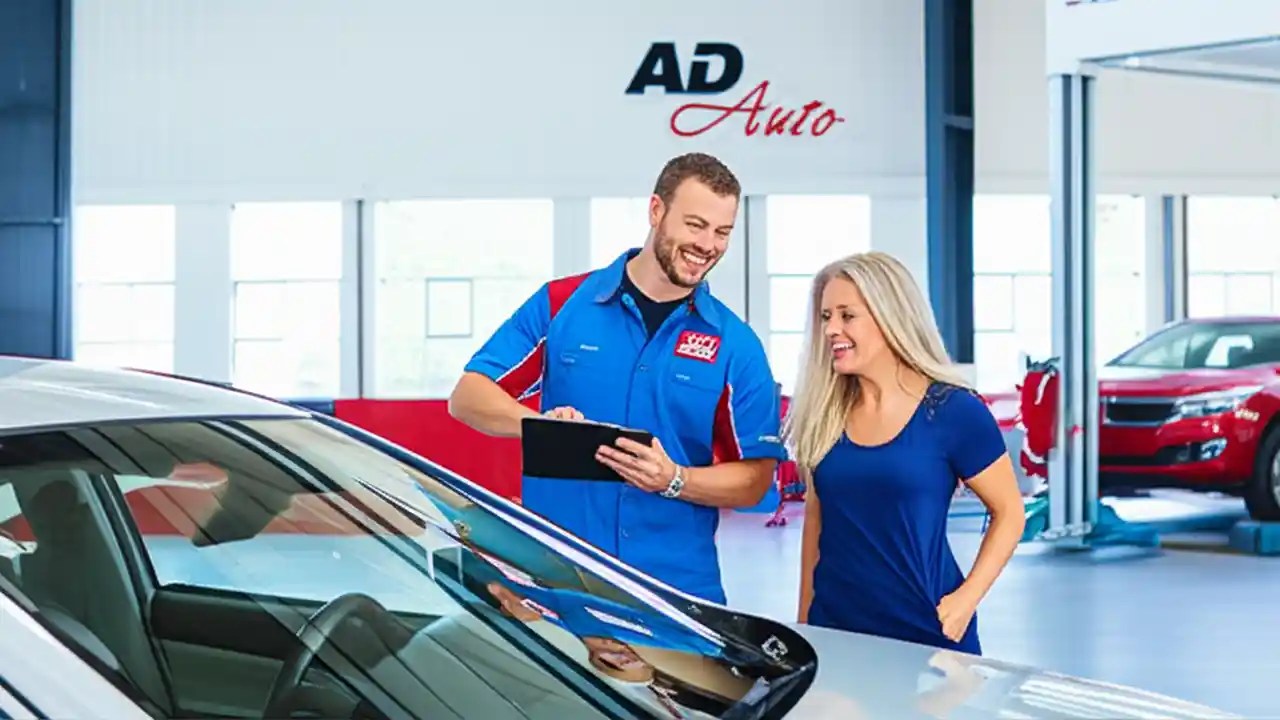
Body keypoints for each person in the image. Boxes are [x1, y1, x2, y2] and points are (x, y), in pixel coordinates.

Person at [448, 152, 786, 605]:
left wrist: (675, 479)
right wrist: (541, 427)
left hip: (676, 594)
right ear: (656, 211)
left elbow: (756, 479)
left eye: (722, 232)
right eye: (695, 225)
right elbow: (468, 395)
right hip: (559, 583)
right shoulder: (561, 304)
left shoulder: (736, 346)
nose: (708, 244)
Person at [785, 251, 1024, 655]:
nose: (831, 330)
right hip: (838, 629)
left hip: (926, 629)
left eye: (847, 315)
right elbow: (817, 517)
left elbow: (1010, 512)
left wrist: (965, 601)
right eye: (826, 317)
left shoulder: (952, 410)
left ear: (889, 315)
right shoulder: (826, 413)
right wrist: (805, 622)